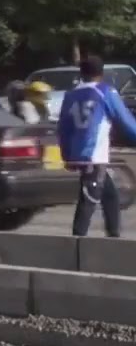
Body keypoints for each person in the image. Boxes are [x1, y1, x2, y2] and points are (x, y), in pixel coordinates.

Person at [58, 55, 136, 238]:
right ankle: (76, 243)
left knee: (110, 195)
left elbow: (63, 127)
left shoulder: (70, 95)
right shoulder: (105, 92)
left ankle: (114, 234)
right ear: (102, 73)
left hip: (77, 153)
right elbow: (125, 121)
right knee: (89, 198)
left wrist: (66, 155)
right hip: (93, 155)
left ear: (81, 73)